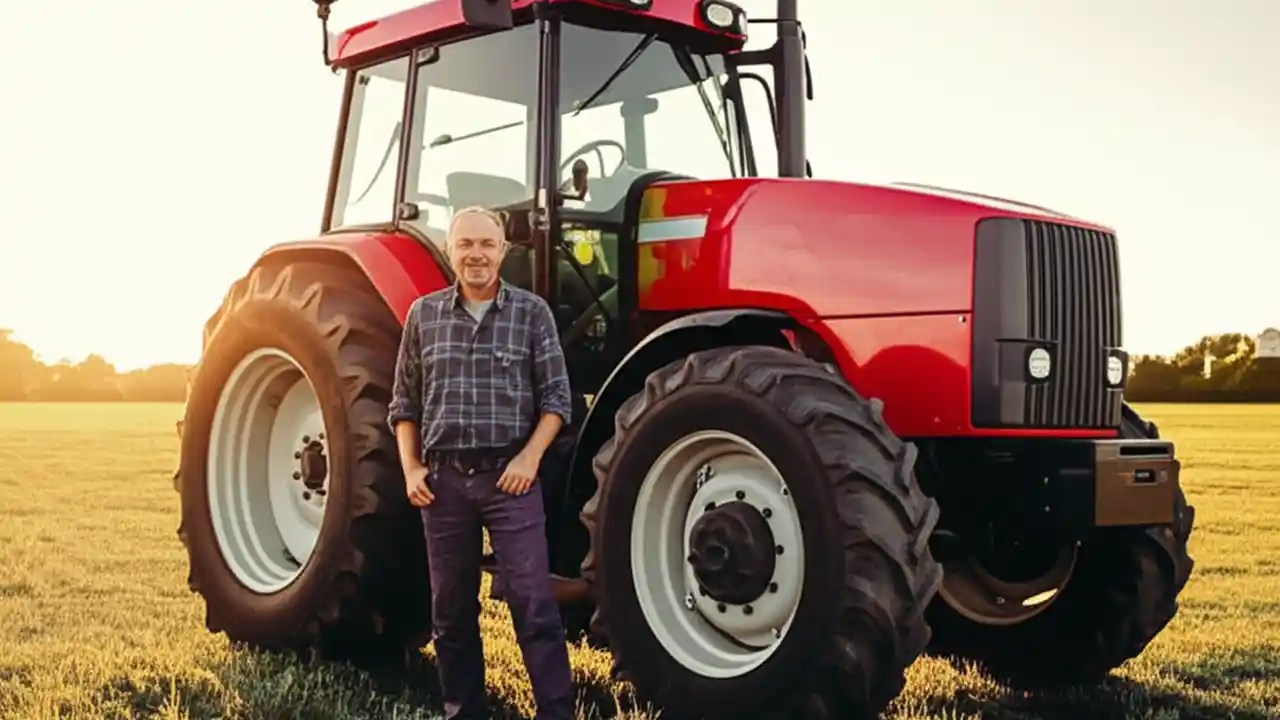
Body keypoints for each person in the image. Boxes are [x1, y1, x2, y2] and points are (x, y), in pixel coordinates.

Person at [387, 205, 575, 720]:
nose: (476, 254)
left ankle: (557, 713)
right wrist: (411, 468)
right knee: (451, 613)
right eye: (466, 244)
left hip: (510, 480)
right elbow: (404, 405)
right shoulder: (423, 316)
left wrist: (529, 460)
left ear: (503, 251)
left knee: (534, 605)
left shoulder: (531, 313)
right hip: (444, 484)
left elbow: (557, 400)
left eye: (486, 244)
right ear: (449, 250)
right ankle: (463, 711)